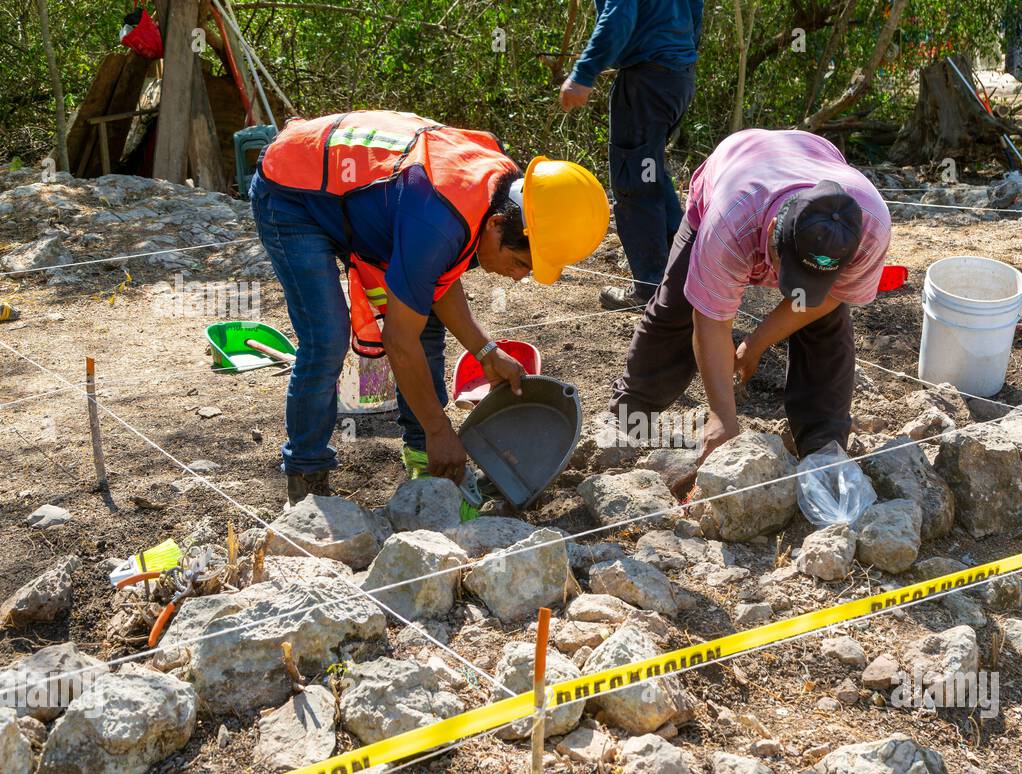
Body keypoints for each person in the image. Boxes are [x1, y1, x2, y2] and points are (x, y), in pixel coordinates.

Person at [248, 110, 609, 503]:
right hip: (292, 191)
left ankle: (422, 454)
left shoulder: (498, 190)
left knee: (428, 321)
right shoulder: (439, 218)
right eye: (521, 263)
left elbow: (438, 278)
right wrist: (442, 430)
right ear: (496, 226)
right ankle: (306, 475)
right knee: (326, 338)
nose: (519, 277)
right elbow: (400, 340)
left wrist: (486, 351)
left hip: (363, 198)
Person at [609, 128, 891, 472]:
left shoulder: (870, 228)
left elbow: (829, 297)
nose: (794, 291)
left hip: (808, 159)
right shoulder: (729, 223)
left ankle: (823, 450)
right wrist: (723, 418)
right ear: (773, 231)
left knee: (825, 325)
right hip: (739, 168)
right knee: (676, 308)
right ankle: (628, 417)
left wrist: (755, 344)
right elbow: (710, 320)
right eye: (791, 272)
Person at [559, 0, 702, 311]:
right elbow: (695, 10)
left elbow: (618, 14)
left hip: (647, 81)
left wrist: (583, 74)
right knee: (650, 171)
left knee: (635, 180)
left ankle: (651, 288)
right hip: (678, 77)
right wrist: (680, 57)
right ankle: (682, 278)